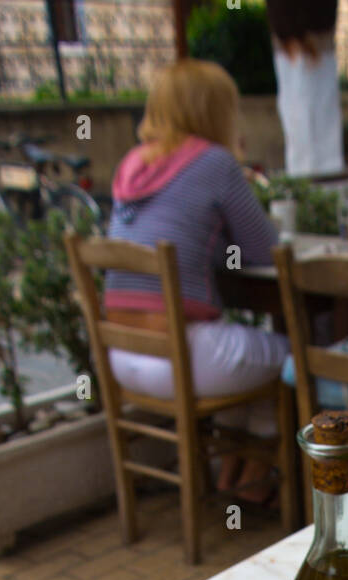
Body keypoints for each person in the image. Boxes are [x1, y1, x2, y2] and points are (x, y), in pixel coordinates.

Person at [104, 59, 287, 504]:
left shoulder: (132, 164)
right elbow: (267, 252)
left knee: (241, 349)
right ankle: (258, 473)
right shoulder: (215, 163)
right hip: (181, 357)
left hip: (122, 357)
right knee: (293, 356)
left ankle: (231, 472)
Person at [265, 0, 343, 176]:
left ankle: (316, 173)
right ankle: (308, 174)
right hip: (299, 32)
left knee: (313, 109)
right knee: (302, 110)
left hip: (312, 30)